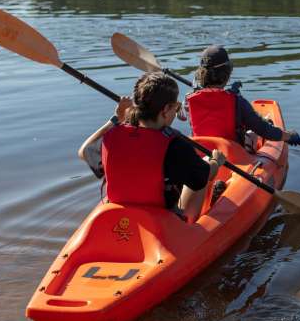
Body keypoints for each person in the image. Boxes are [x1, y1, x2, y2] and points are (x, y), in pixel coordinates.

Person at [77, 72, 226, 223]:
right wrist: (215, 161)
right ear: (166, 109)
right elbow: (204, 177)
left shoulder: (111, 137)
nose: (176, 112)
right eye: (176, 107)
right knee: (203, 166)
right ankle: (190, 225)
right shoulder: (175, 145)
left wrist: (116, 119)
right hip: (160, 221)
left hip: (120, 217)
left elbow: (84, 151)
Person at [186, 45, 300, 149]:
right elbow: (264, 130)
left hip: (201, 156)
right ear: (227, 73)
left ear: (201, 74)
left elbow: (182, 115)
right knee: (253, 134)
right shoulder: (237, 102)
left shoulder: (188, 100)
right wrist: (288, 136)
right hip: (234, 158)